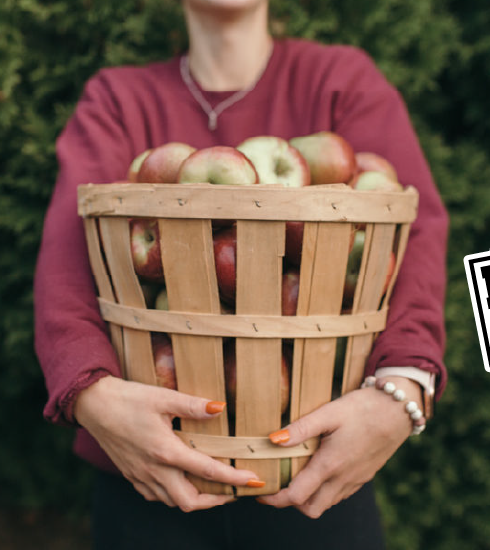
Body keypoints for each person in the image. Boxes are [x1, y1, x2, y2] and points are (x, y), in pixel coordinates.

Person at [34, 0, 447, 547]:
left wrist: (401, 392)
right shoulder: (118, 99)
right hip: (147, 483)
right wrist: (92, 394)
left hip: (320, 480)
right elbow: (67, 256)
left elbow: (413, 236)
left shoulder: (341, 81)